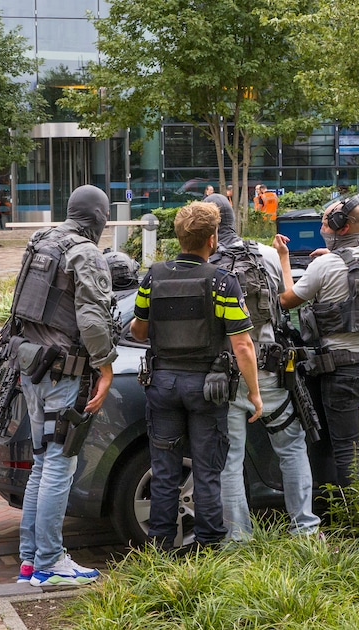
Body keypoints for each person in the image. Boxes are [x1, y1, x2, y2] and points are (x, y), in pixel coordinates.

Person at [129, 201, 263, 550]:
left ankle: (159, 548)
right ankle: (208, 547)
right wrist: (254, 393)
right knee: (207, 471)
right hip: (208, 388)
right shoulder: (222, 282)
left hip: (162, 385)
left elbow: (139, 331)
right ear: (212, 240)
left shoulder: (153, 277)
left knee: (164, 470)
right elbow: (243, 345)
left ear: (179, 237)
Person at [10, 185, 119, 587]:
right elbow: (90, 318)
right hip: (62, 373)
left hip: (31, 365)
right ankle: (51, 561)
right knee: (59, 465)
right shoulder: (84, 252)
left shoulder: (42, 241)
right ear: (99, 217)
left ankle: (30, 561)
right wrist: (106, 368)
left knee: (42, 464)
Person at [204, 193, 319, 541]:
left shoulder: (205, 261)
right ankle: (305, 531)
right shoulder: (266, 254)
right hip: (271, 372)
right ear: (234, 221)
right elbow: (286, 299)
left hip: (225, 375)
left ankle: (237, 539)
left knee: (230, 460)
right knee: (292, 447)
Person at [273, 196, 359, 486]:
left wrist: (283, 258)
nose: (322, 226)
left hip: (341, 371)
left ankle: (354, 523)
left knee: (345, 450)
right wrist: (330, 258)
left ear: (341, 227)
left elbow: (286, 300)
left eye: (325, 221)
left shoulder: (324, 266)